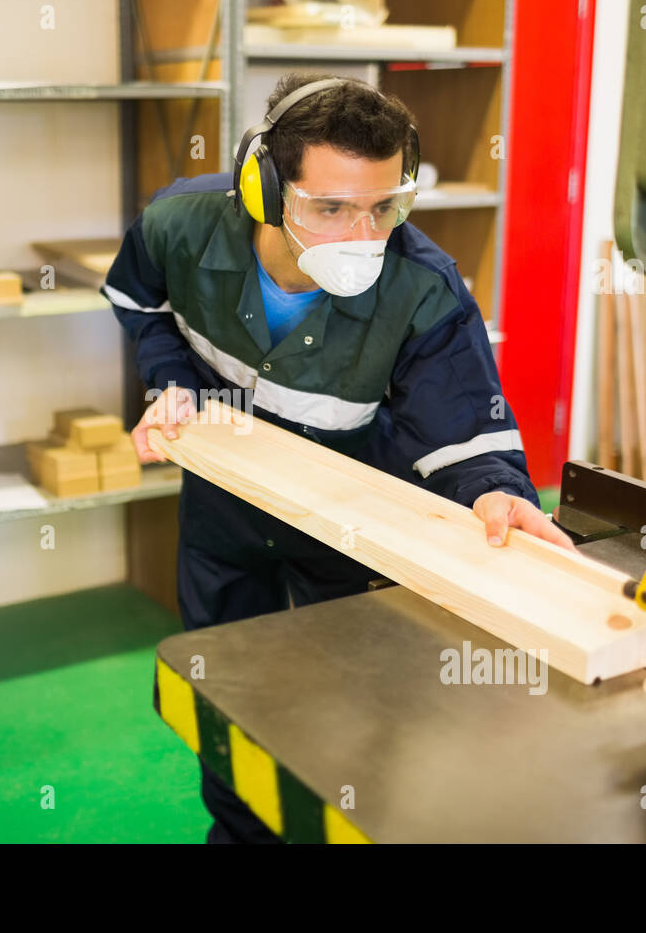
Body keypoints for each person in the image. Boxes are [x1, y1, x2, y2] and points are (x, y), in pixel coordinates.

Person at [105, 73, 575, 843]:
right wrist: (174, 384)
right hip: (223, 517)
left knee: (350, 725)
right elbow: (140, 305)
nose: (362, 234)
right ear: (262, 188)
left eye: (383, 207)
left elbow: (465, 427)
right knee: (230, 700)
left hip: (347, 529)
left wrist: (496, 492)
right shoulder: (178, 226)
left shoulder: (423, 288)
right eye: (330, 207)